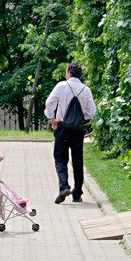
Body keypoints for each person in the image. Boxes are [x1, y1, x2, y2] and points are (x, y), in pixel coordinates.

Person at [44, 62, 96, 204]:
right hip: (78, 130)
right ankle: (77, 193)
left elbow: (50, 103)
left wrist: (52, 119)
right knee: (77, 160)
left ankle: (64, 186)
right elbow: (92, 112)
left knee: (60, 158)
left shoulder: (61, 86)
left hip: (62, 127)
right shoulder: (86, 90)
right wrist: (79, 118)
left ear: (68, 73)